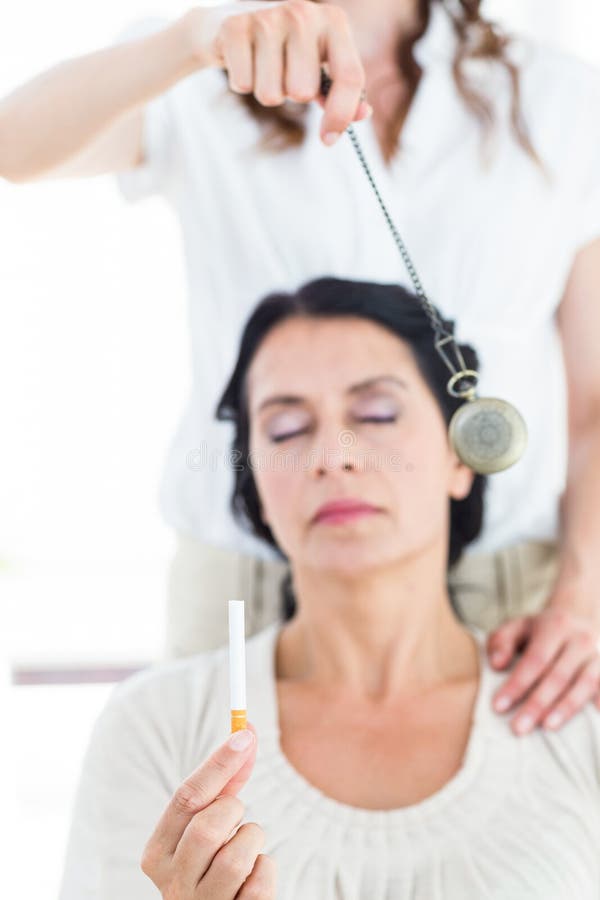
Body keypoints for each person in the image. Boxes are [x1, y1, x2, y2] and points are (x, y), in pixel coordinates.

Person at [3, 0, 600, 733]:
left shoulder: (561, 99)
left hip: (506, 596)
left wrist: (582, 594)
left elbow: (593, 404)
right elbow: (12, 146)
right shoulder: (197, 70)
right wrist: (193, 42)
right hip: (249, 583)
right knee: (225, 837)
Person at [57, 277, 600, 899]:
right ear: (256, 481)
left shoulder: (576, 718)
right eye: (286, 429)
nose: (332, 457)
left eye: (375, 415)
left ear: (460, 456)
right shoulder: (156, 728)